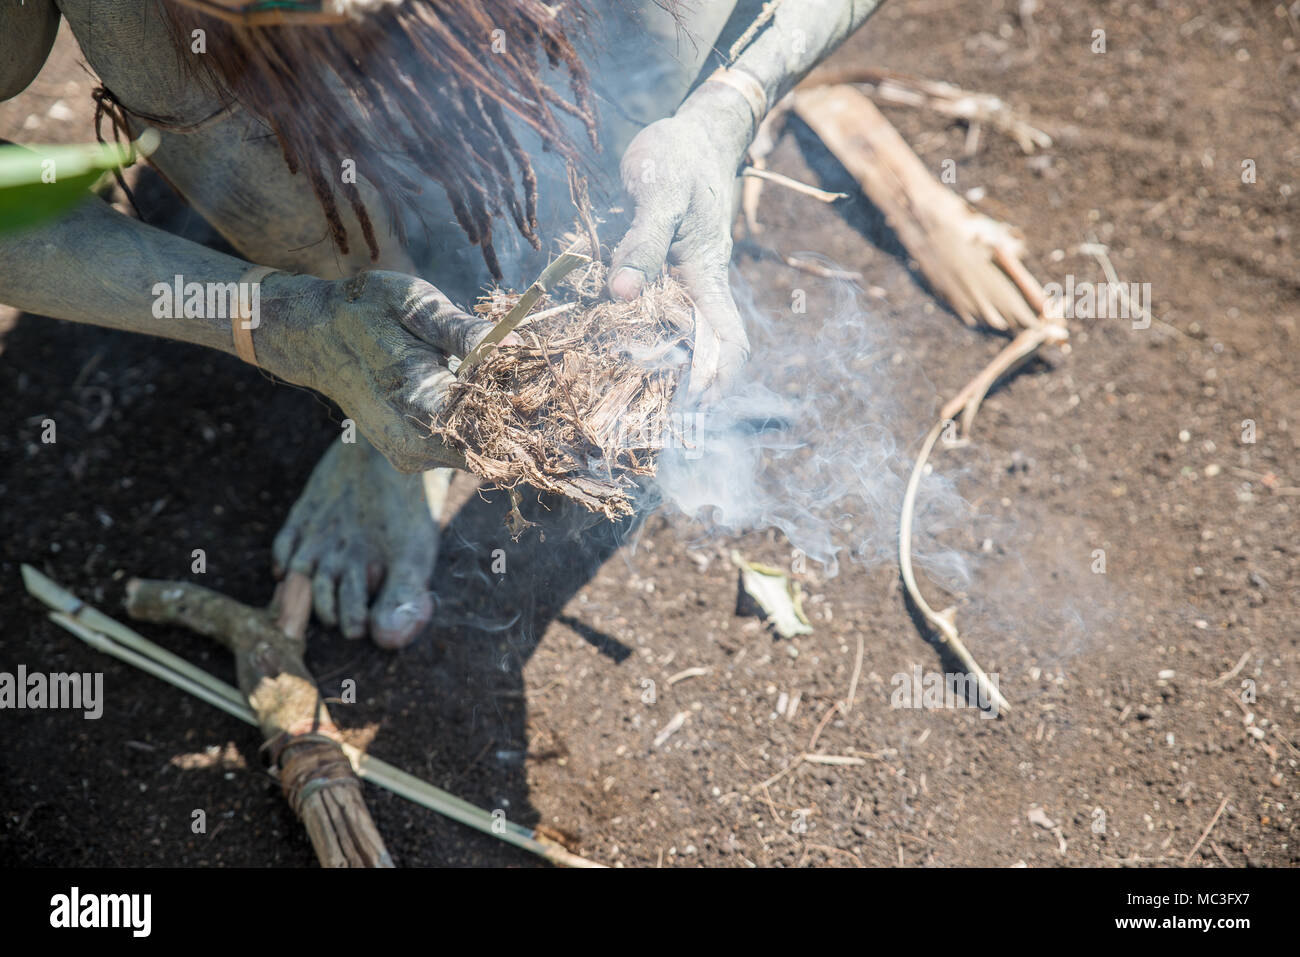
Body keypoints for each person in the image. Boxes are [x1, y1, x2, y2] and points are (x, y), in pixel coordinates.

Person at [0, 0, 882, 647]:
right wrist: (277, 321)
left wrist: (724, 106)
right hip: (196, 48)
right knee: (175, 54)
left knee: (652, 44)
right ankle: (373, 350)